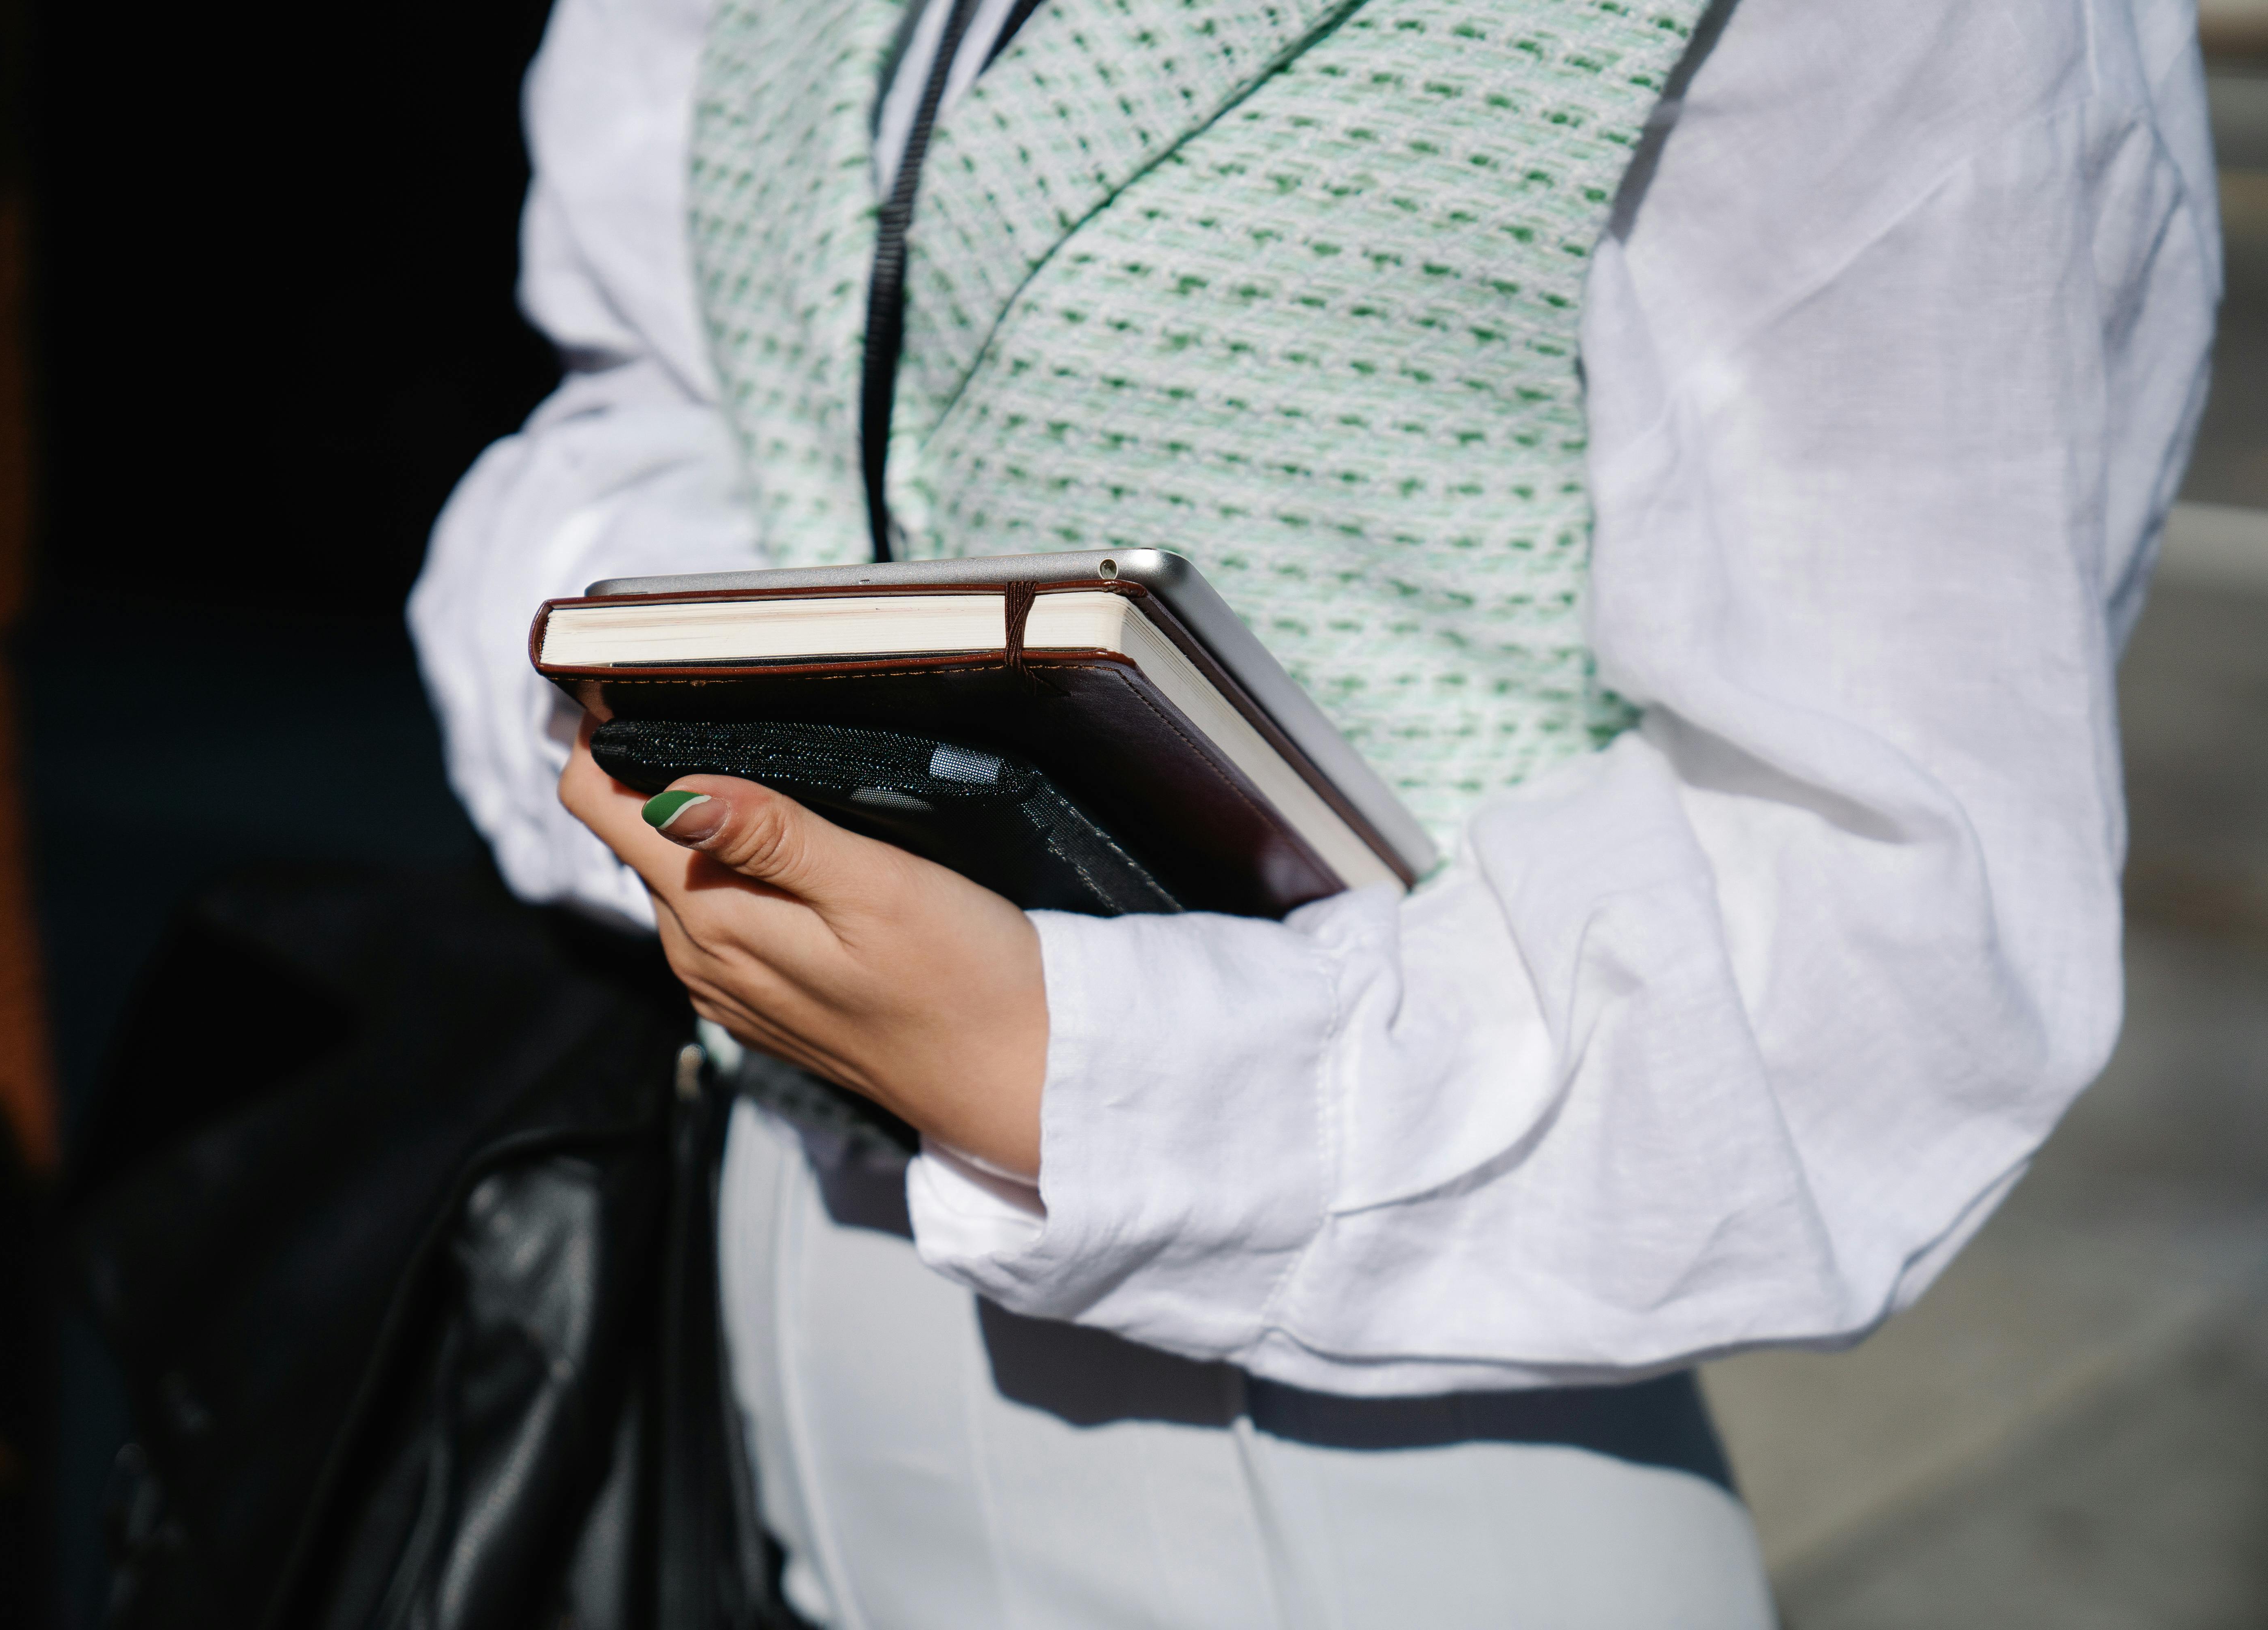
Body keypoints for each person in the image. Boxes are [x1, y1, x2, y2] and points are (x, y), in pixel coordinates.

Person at [409, 0, 2219, 1621]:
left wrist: (1100, 1065)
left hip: (1352, 1475)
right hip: (753, 1349)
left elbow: (1879, 919)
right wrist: (688, 725)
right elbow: (651, 383)